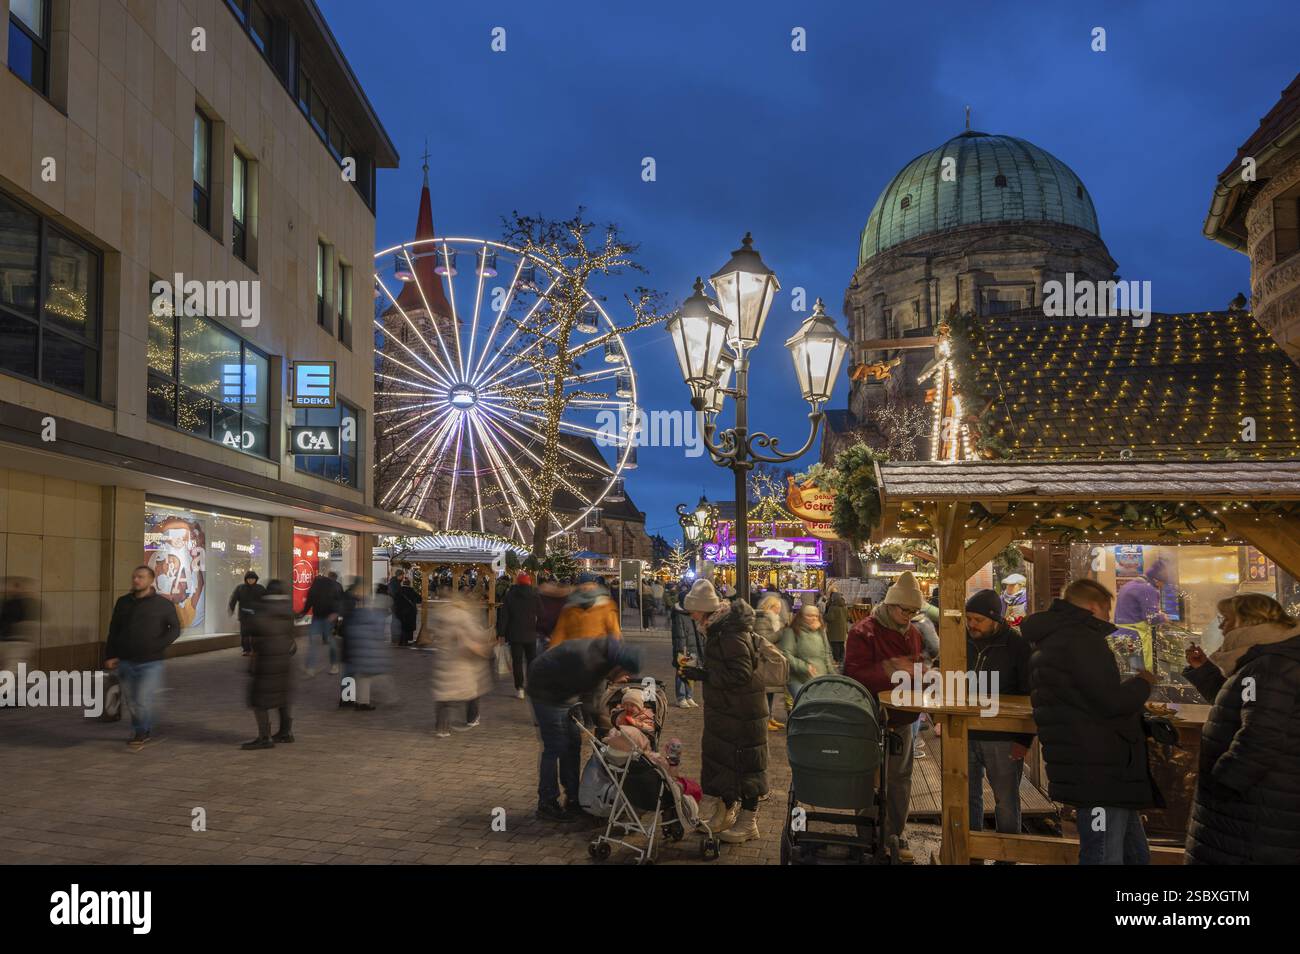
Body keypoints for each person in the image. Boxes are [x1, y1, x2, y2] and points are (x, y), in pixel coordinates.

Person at [1023, 578, 1159, 865]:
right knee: (1103, 853)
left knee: (1133, 853)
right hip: (1099, 768)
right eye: (1108, 610)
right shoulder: (1082, 641)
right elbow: (1111, 701)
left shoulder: (1051, 640)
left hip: (1089, 764)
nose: (1110, 617)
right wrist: (1143, 683)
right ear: (1095, 606)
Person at [1182, 593, 1300, 864]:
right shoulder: (1263, 662)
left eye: (1226, 620)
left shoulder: (1269, 666)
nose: (1222, 628)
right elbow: (1241, 709)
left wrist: (1224, 783)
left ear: (1246, 621)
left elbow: (1260, 735)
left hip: (1254, 807)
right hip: (1255, 806)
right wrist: (1204, 671)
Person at [843, 570, 927, 861]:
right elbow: (853, 675)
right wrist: (892, 669)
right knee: (869, 779)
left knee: (900, 780)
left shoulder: (914, 633)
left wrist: (924, 674)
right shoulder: (862, 631)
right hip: (871, 720)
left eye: (914, 611)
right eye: (906, 610)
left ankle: (894, 834)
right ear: (891, 605)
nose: (910, 615)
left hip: (904, 719)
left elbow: (915, 667)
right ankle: (867, 837)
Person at [677, 580, 769, 844]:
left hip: (742, 712)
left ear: (705, 610)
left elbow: (740, 674)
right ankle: (726, 812)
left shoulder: (729, 633)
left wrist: (704, 675)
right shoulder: (717, 630)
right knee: (726, 763)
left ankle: (748, 821)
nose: (691, 615)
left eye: (693, 610)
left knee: (747, 767)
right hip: (727, 711)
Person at [527, 636, 643, 820]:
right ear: (617, 666)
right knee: (555, 747)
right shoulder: (590, 663)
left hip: (564, 692)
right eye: (625, 673)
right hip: (545, 692)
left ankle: (573, 798)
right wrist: (612, 730)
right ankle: (546, 803)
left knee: (573, 744)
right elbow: (592, 704)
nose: (626, 677)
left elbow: (591, 700)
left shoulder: (606, 656)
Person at [964, 589, 1035, 847]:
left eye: (978, 619)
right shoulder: (962, 641)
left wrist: (1024, 740)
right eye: (968, 618)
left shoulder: (1017, 646)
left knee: (1006, 799)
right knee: (967, 796)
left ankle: (1008, 855)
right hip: (966, 730)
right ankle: (971, 852)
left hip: (1003, 736)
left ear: (995, 619)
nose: (972, 624)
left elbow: (1029, 696)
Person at [104, 566, 180, 750]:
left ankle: (141, 731)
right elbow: (114, 630)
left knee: (142, 698)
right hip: (126, 660)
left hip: (151, 661)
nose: (136, 580)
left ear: (151, 580)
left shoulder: (163, 604)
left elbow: (175, 629)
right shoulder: (123, 602)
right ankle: (142, 726)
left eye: (141, 577)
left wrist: (157, 645)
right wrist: (110, 654)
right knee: (132, 700)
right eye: (134, 576)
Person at [242, 579, 296, 749]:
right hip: (284, 660)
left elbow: (251, 628)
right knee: (282, 696)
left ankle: (265, 737)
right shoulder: (288, 610)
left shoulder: (262, 610)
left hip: (266, 660)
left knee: (259, 698)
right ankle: (285, 732)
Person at [340, 579, 390, 711]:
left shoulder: (351, 599)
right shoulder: (351, 602)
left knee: (350, 672)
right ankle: (346, 699)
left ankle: (347, 698)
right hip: (351, 642)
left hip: (350, 641)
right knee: (350, 672)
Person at [1114, 559, 1171, 671]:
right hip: (1135, 638)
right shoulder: (1147, 589)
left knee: (1128, 672)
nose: (1161, 587)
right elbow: (1151, 618)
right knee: (1139, 674)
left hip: (1121, 636)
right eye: (1161, 584)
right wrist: (1164, 617)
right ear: (1155, 579)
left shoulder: (1130, 584)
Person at [778, 603, 836, 702]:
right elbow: (786, 654)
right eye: (809, 615)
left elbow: (827, 655)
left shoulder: (821, 632)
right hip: (799, 679)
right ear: (801, 616)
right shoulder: (791, 631)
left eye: (816, 616)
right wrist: (805, 667)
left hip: (820, 678)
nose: (814, 618)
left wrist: (833, 676)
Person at [497, 572, 541, 699]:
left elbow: (504, 616)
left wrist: (501, 633)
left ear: (517, 582)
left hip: (515, 634)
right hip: (531, 634)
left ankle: (520, 688)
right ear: (529, 582)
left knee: (517, 662)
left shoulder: (510, 596)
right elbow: (541, 613)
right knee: (531, 662)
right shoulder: (535, 595)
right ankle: (531, 686)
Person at [548, 574, 620, 647]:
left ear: (595, 585)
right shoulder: (569, 607)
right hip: (574, 653)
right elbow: (560, 632)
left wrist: (614, 650)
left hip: (597, 653)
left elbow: (614, 632)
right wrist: (552, 650)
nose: (587, 587)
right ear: (579, 586)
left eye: (589, 584)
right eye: (584, 584)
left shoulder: (606, 605)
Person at [753, 593, 788, 730]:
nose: (779, 610)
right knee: (766, 691)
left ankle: (770, 717)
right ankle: (765, 720)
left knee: (771, 690)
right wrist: (781, 632)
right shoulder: (763, 620)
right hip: (764, 660)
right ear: (770, 607)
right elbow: (764, 639)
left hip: (772, 659)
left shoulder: (774, 619)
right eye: (776, 607)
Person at [300, 570, 343, 675]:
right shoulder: (333, 586)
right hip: (327, 618)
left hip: (320, 618)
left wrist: (302, 613)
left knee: (314, 643)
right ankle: (333, 665)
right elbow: (340, 601)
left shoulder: (315, 587)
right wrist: (336, 613)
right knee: (329, 642)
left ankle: (311, 668)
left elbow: (309, 602)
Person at [669, 587, 703, 709]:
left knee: (691, 672)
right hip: (684, 648)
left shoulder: (691, 613)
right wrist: (681, 649)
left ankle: (689, 696)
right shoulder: (679, 615)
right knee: (682, 673)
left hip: (692, 646)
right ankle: (681, 697)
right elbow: (679, 634)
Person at [0, 576, 39, 677]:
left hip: (18, 643)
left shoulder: (22, 603)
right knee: (20, 668)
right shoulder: (12, 602)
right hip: (15, 642)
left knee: (14, 668)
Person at [228, 571, 266, 656]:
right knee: (245, 634)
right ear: (246, 579)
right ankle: (246, 649)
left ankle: (255, 649)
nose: (251, 580)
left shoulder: (260, 588)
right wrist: (231, 607)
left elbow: (265, 600)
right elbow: (234, 598)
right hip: (244, 616)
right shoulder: (240, 588)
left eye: (253, 579)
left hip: (257, 616)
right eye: (249, 579)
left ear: (256, 579)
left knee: (255, 634)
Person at [388, 569, 421, 647]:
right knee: (405, 626)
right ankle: (402, 641)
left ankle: (398, 640)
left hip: (400, 609)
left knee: (401, 625)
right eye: (402, 575)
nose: (403, 577)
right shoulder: (396, 585)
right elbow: (419, 599)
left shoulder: (396, 585)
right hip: (403, 610)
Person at [824, 586, 848, 666]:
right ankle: (842, 659)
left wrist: (824, 616)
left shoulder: (833, 607)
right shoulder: (844, 607)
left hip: (834, 630)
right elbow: (848, 617)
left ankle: (836, 660)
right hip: (842, 630)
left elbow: (830, 618)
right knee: (841, 645)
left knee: (835, 646)